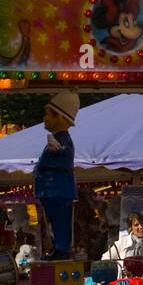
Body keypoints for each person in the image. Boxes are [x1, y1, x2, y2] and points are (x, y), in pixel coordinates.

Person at [33, 90, 80, 259]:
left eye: (47, 114)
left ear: (59, 116)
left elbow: (64, 153)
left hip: (57, 188)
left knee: (60, 220)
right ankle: (58, 247)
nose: (44, 118)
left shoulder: (63, 140)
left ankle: (62, 248)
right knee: (54, 221)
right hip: (51, 189)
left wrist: (56, 150)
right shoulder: (57, 139)